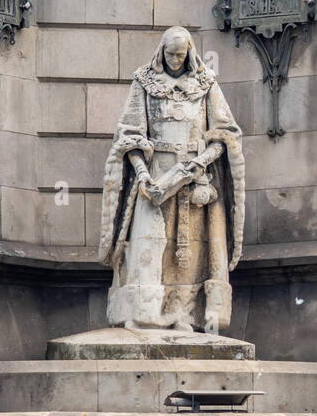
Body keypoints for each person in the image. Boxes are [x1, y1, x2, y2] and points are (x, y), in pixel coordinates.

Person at [98, 27, 245, 331]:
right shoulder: (143, 82)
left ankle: (184, 316)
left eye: (181, 54)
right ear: (160, 52)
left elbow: (226, 135)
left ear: (189, 53)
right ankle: (145, 312)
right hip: (155, 179)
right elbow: (130, 135)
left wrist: (200, 163)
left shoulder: (206, 84)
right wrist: (142, 175)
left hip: (194, 179)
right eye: (170, 53)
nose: (175, 59)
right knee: (148, 247)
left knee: (189, 255)